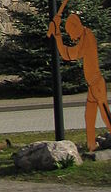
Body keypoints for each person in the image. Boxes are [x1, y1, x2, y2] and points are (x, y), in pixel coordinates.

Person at [47, 11, 111, 152]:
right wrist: (57, 34)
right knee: (89, 117)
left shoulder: (87, 37)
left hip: (97, 84)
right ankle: (91, 146)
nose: (71, 36)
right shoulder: (85, 35)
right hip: (92, 85)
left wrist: (58, 35)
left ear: (76, 26)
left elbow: (70, 54)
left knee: (106, 115)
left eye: (71, 32)